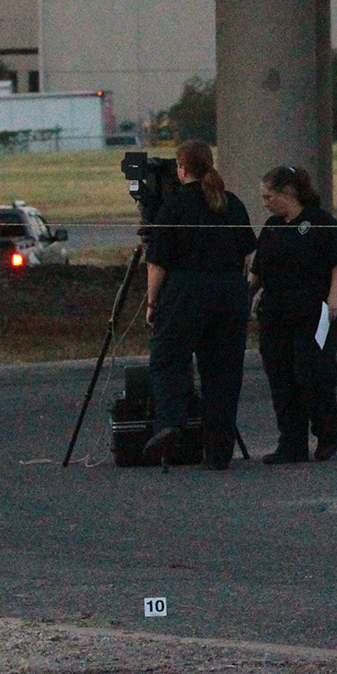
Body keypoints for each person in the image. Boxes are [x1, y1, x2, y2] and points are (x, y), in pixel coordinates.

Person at [142, 140, 256, 470]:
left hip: (186, 290)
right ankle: (219, 450)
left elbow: (158, 263)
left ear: (181, 169)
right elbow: (247, 250)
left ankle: (170, 424)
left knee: (169, 359)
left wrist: (153, 302)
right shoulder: (230, 203)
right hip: (230, 291)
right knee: (223, 371)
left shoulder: (174, 207)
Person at [252, 164, 337, 464]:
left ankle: (327, 431)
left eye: (269, 196)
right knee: (280, 375)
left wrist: (334, 296)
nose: (265, 202)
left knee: (312, 373)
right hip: (277, 312)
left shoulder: (319, 222)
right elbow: (257, 270)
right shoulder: (272, 227)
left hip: (313, 310)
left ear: (289, 192)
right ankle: (291, 441)